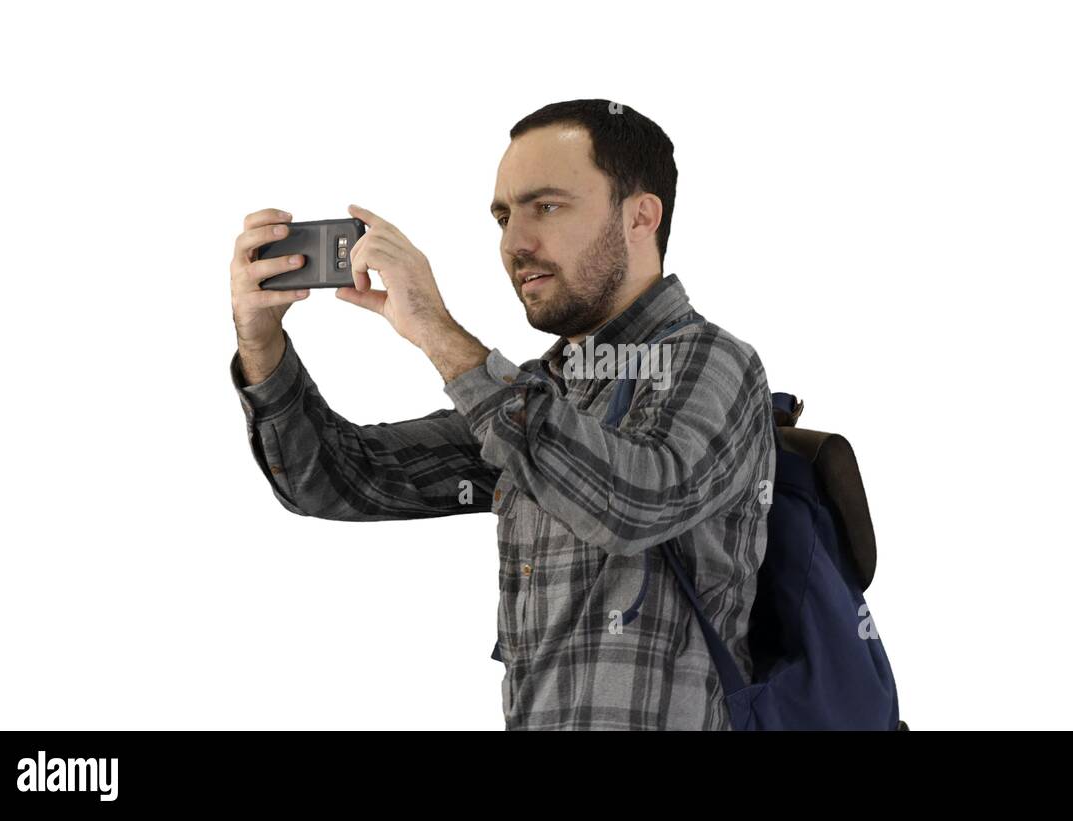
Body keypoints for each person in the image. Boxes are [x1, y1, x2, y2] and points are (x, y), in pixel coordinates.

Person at [227, 99, 775, 730]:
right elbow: (337, 479)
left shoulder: (716, 363)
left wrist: (437, 332)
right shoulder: (540, 393)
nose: (515, 242)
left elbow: (632, 503)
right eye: (503, 216)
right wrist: (262, 348)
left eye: (547, 206)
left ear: (639, 217)